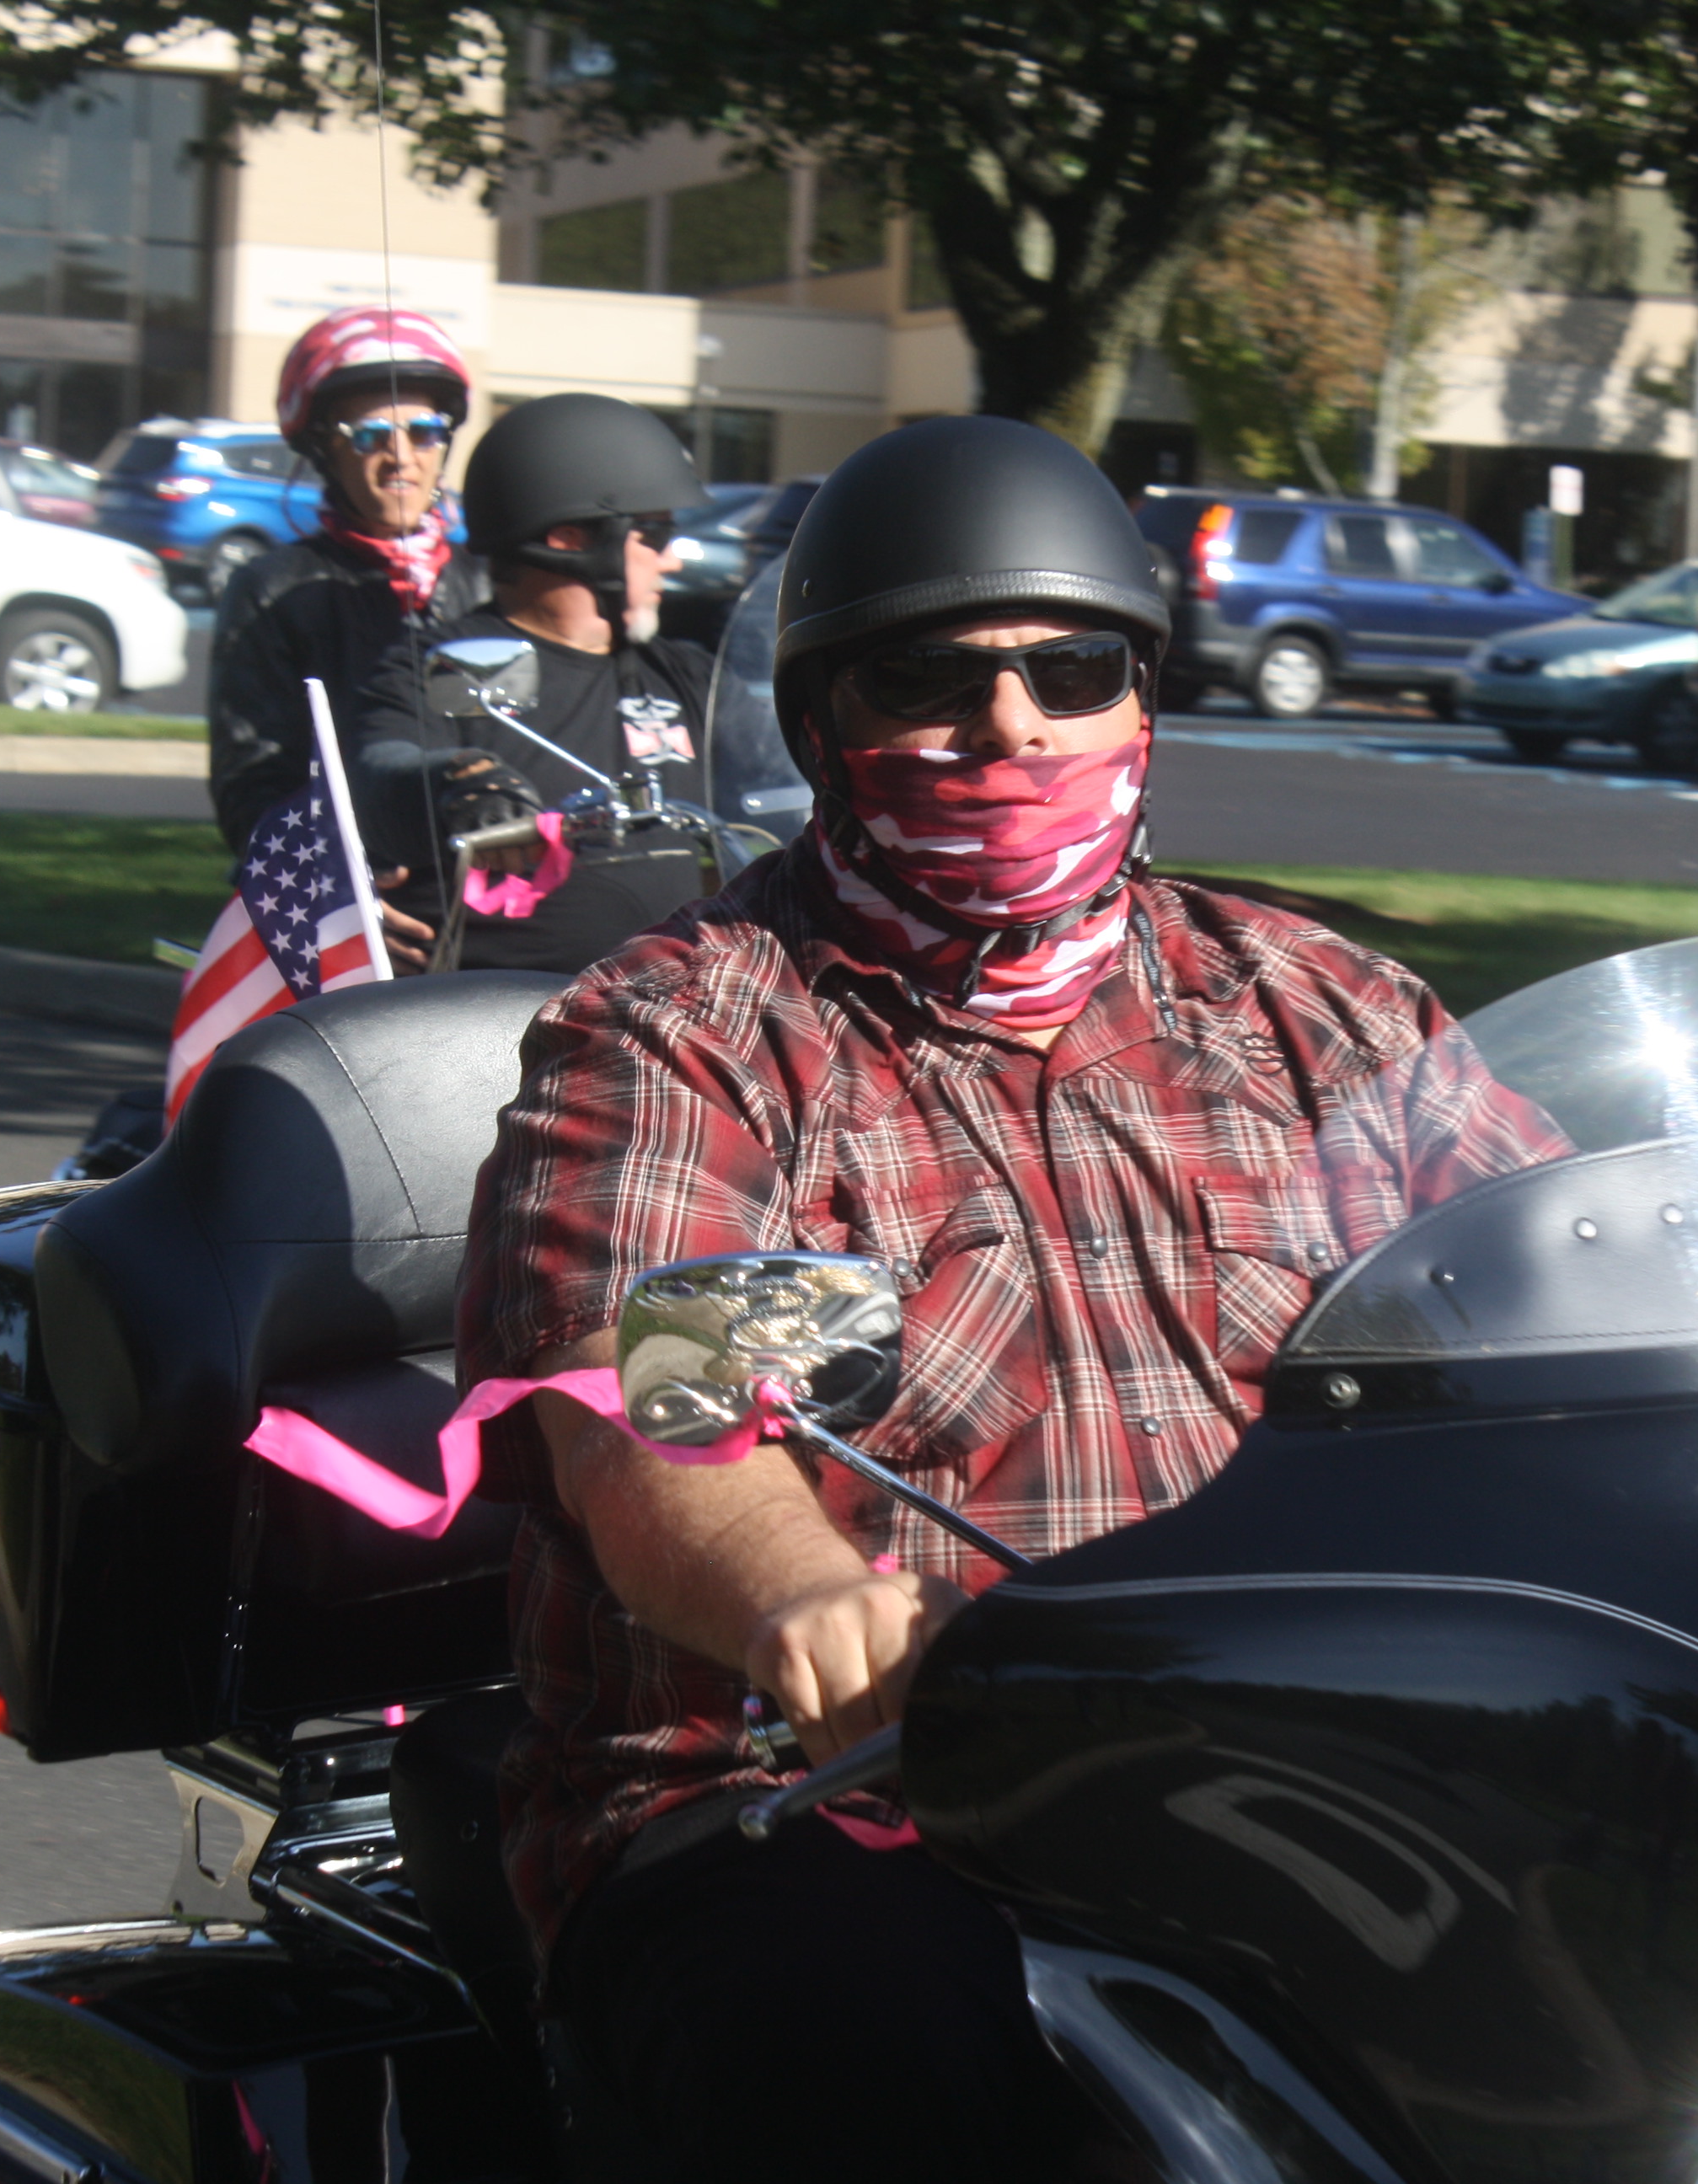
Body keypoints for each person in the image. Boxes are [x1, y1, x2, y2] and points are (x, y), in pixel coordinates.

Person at [451, 415, 1565, 2176]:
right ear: (826, 723)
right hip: (820, 1803)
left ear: (1142, 701)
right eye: (933, 678)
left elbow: (1581, 1302)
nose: (1015, 725)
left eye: (1073, 666)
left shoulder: (1323, 1009)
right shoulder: (694, 1031)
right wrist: (803, 1594)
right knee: (890, 2049)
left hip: (1302, 1768)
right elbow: (645, 1403)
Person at [350, 391, 718, 975]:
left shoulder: (687, 676)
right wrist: (457, 782)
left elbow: (780, 785)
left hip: (675, 1026)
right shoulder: (444, 665)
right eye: (653, 536)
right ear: (569, 539)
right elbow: (381, 766)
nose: (672, 560)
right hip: (493, 1032)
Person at [209, 307, 487, 929]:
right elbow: (251, 785)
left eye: (424, 432)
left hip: (493, 907)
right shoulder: (273, 590)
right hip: (350, 918)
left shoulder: (491, 578)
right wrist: (337, 893)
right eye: (369, 435)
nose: (401, 458)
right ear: (323, 449)